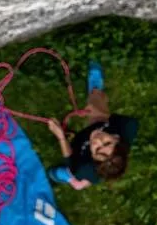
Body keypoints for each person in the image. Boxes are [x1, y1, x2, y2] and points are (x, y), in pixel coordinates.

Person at [47, 61, 138, 190]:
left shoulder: (86, 168)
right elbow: (113, 119)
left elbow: (71, 162)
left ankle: (69, 179)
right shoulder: (127, 127)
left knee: (77, 179)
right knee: (98, 110)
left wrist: (61, 136)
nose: (98, 140)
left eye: (97, 149)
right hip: (101, 125)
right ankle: (95, 89)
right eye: (107, 143)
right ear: (116, 139)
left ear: (92, 158)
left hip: (82, 163)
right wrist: (101, 120)